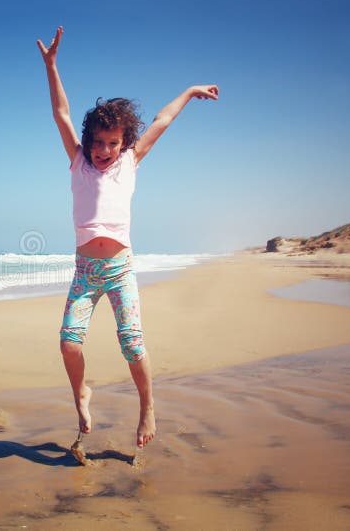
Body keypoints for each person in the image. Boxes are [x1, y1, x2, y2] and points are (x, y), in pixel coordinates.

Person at [37, 26, 219, 454]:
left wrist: (190, 91)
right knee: (67, 342)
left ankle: (147, 406)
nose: (102, 150)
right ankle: (82, 394)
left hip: (119, 270)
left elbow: (162, 119)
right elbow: (61, 114)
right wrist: (52, 67)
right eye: (97, 143)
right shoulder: (78, 162)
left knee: (132, 344)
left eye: (111, 144)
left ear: (124, 144)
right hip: (85, 269)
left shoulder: (130, 162)